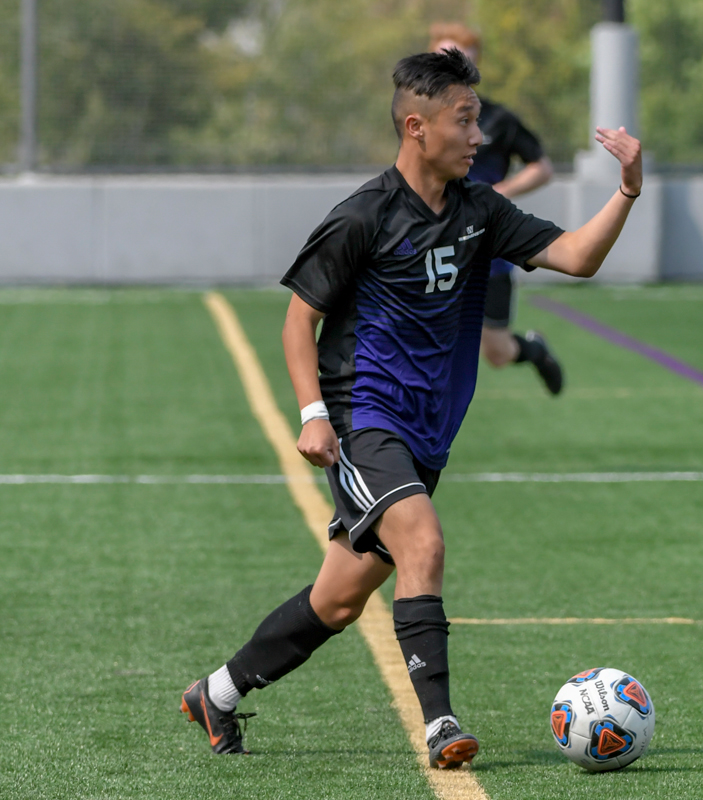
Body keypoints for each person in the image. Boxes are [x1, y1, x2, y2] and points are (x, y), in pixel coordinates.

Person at [180, 48, 642, 769]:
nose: (479, 137)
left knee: (338, 600)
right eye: (465, 121)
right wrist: (311, 413)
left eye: (478, 120)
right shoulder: (363, 215)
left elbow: (578, 257)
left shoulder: (480, 211)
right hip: (364, 421)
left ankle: (216, 693)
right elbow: (299, 321)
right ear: (417, 127)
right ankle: (441, 725)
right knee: (423, 544)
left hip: (427, 437)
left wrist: (627, 190)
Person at [429, 22, 563, 395]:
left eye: (463, 61)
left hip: (487, 246)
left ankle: (534, 351)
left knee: (497, 353)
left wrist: (497, 192)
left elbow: (542, 167)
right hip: (434, 241)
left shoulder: (498, 119)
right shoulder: (419, 118)